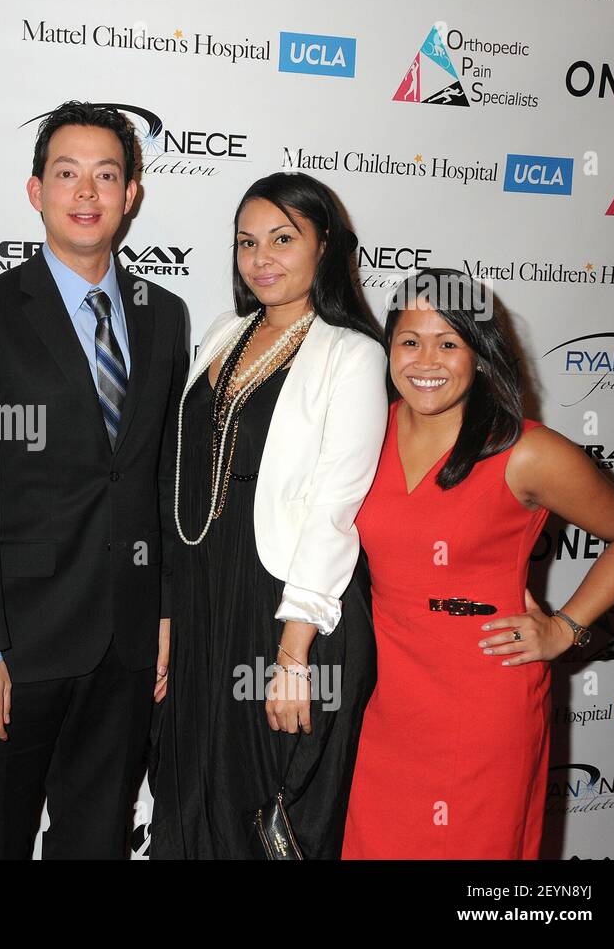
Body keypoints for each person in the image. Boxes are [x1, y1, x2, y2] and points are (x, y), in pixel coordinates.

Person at [0, 101, 189, 859]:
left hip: (126, 645)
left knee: (98, 842)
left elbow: (159, 476)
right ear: (35, 190)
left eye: (106, 175)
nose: (87, 193)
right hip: (16, 646)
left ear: (131, 194)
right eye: (67, 174)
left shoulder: (163, 315)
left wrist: (166, 613)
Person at [343, 269, 614, 859]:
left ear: (480, 355)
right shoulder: (363, 430)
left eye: (449, 342)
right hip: (385, 703)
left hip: (483, 706)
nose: (426, 360)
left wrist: (566, 627)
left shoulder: (526, 451)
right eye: (410, 341)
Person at [150, 172, 385, 859]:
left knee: (261, 813)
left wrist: (293, 655)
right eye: (247, 242)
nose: (262, 258)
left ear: (326, 246)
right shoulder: (228, 330)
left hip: (282, 612)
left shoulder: (353, 354)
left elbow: (333, 508)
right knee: (190, 792)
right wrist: (170, 614)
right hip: (203, 605)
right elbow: (188, 479)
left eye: (283, 239)